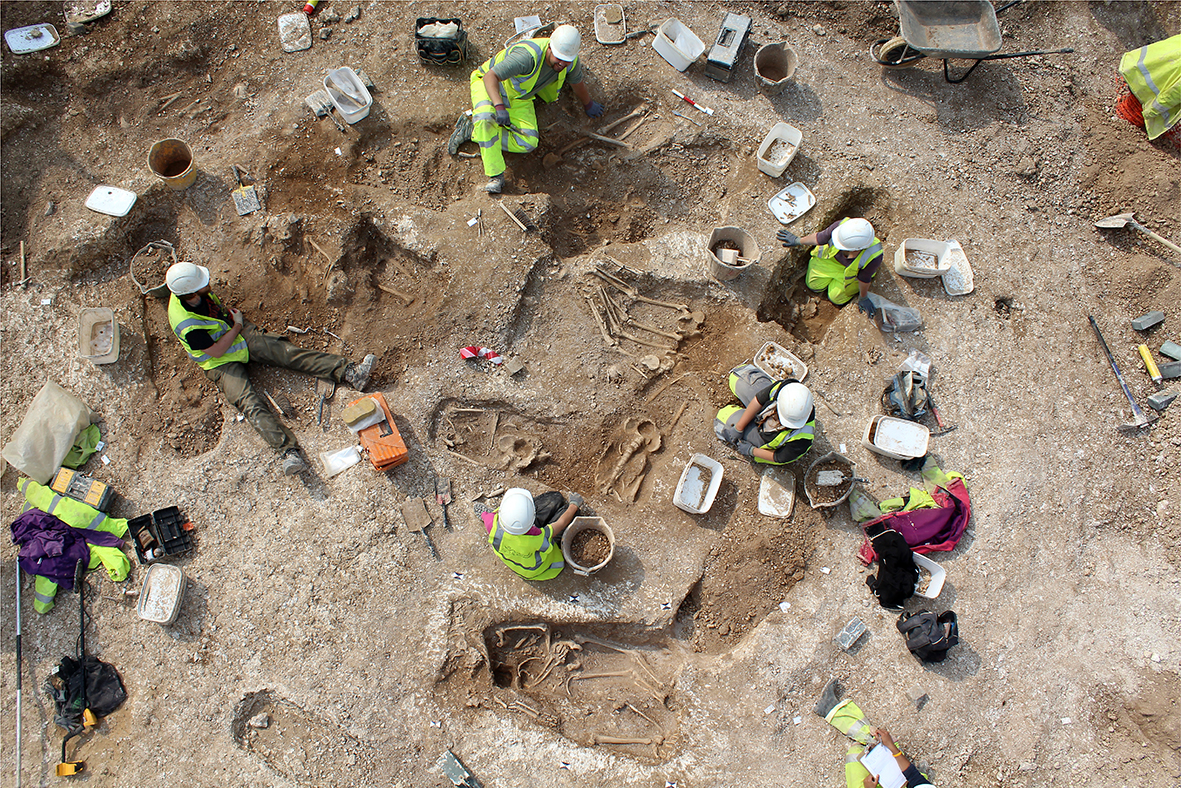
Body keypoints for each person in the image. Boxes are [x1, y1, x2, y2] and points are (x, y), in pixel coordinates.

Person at [165, 262, 376, 476]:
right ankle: (288, 453)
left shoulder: (188, 292)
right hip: (219, 361)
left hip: (235, 335)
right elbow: (217, 351)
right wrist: (238, 324)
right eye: (203, 282)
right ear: (191, 292)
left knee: (284, 352)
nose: (208, 282)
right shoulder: (188, 325)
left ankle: (350, 373)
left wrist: (232, 321)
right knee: (248, 403)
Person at [448, 24, 604, 194]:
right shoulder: (527, 58)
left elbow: (577, 83)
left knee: (528, 142)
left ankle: (471, 131)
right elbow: (490, 77)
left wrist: (588, 104)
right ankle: (496, 176)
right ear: (550, 47)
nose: (561, 63)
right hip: (492, 84)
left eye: (566, 60)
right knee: (486, 119)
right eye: (558, 58)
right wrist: (499, 106)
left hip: (520, 95)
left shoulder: (570, 62)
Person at [714, 363, 815, 465]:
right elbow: (759, 399)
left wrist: (751, 450)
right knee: (738, 378)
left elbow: (779, 457)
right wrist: (739, 427)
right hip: (766, 409)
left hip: (764, 438)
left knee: (724, 417)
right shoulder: (787, 390)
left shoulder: (802, 440)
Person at [778, 217, 884, 308]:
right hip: (829, 261)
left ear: (856, 249)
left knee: (837, 299)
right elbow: (820, 238)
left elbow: (864, 278)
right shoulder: (841, 227)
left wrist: (863, 297)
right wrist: (797, 240)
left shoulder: (874, 255)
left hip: (851, 274)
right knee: (813, 285)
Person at [483, 488, 582, 580]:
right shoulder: (538, 537)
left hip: (519, 564)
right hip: (540, 568)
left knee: (555, 497)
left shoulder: (492, 524)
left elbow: (485, 515)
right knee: (572, 512)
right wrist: (574, 505)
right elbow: (561, 523)